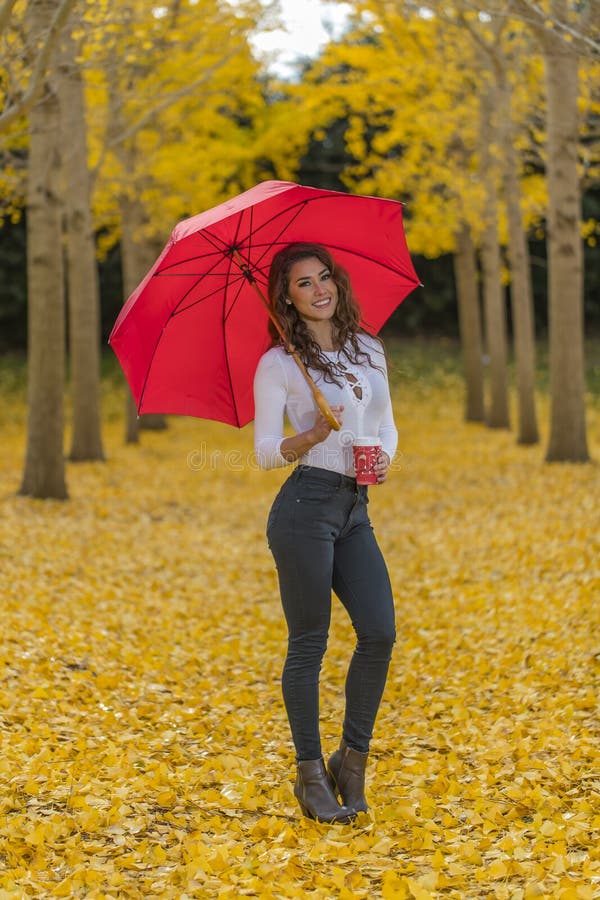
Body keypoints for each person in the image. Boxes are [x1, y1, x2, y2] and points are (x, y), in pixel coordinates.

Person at [253, 242, 397, 823]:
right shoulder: (279, 364)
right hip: (304, 510)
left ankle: (351, 762)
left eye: (324, 277)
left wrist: (383, 457)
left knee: (379, 633)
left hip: (354, 507)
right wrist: (311, 435)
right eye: (304, 284)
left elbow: (386, 424)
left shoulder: (368, 348)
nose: (320, 290)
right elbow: (265, 453)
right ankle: (310, 777)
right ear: (287, 299)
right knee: (309, 643)